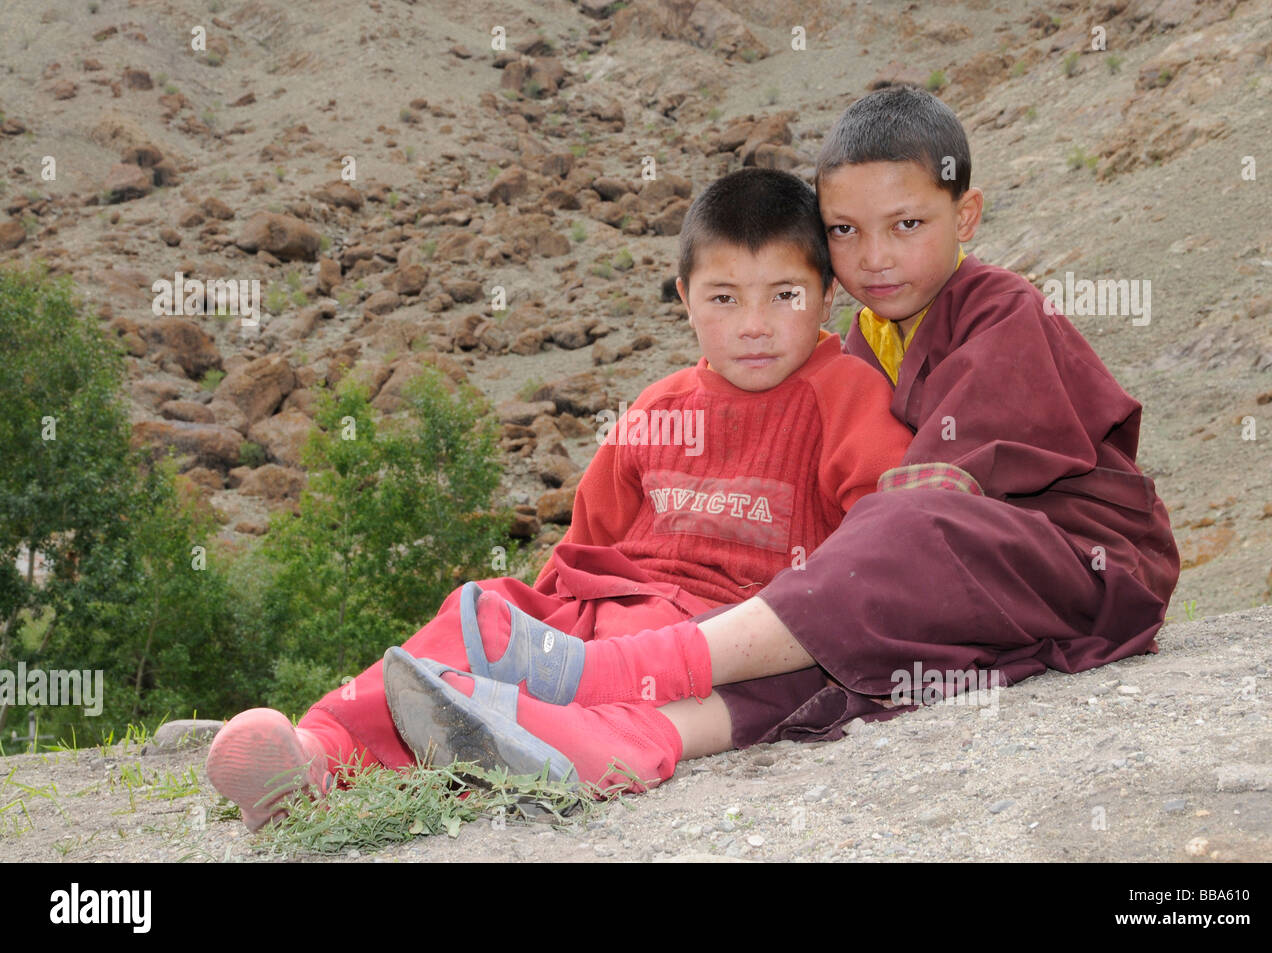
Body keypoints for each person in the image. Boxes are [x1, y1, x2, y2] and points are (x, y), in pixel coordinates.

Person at [380, 84, 1181, 792]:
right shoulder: (866, 342)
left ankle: (609, 675)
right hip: (969, 598)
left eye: (907, 224)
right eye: (845, 231)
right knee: (832, 647)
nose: (877, 257)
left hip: (1079, 567)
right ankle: (624, 737)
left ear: (964, 215)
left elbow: (924, 515)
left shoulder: (1001, 310)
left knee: (893, 532)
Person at [205, 167, 914, 830]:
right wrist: (530, 627)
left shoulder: (846, 393)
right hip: (607, 615)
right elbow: (588, 542)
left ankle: (534, 743)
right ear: (684, 298)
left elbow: (879, 540)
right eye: (723, 298)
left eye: (784, 295)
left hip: (723, 635)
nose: (753, 323)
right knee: (477, 615)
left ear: (828, 294)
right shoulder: (659, 406)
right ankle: (315, 752)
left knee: (642, 700)